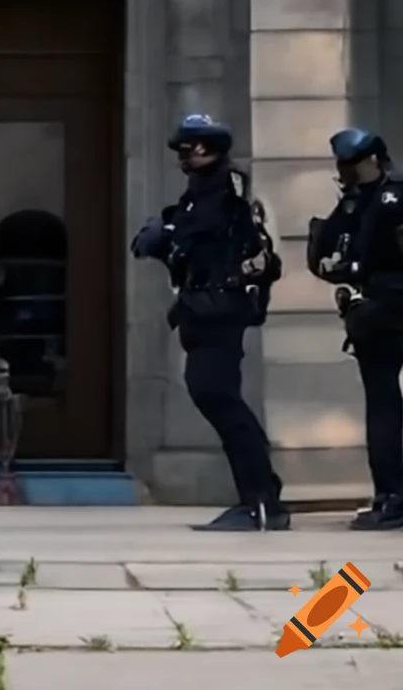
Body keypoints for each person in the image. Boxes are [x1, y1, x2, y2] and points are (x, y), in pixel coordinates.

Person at [132, 114, 288, 531]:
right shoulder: (195, 194)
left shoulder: (229, 190)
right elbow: (187, 246)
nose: (183, 156)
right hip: (198, 309)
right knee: (215, 395)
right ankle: (262, 496)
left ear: (208, 149)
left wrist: (169, 230)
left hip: (222, 309)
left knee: (216, 394)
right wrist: (163, 238)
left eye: (189, 147)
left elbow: (234, 236)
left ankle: (261, 502)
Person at [307, 129, 403, 530]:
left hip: (388, 307)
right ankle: (390, 495)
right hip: (374, 313)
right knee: (382, 406)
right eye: (342, 164)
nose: (345, 171)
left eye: (352, 163)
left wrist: (355, 269)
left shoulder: (391, 200)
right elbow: (324, 254)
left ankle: (393, 497)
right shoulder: (351, 204)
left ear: (375, 161)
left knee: (384, 408)